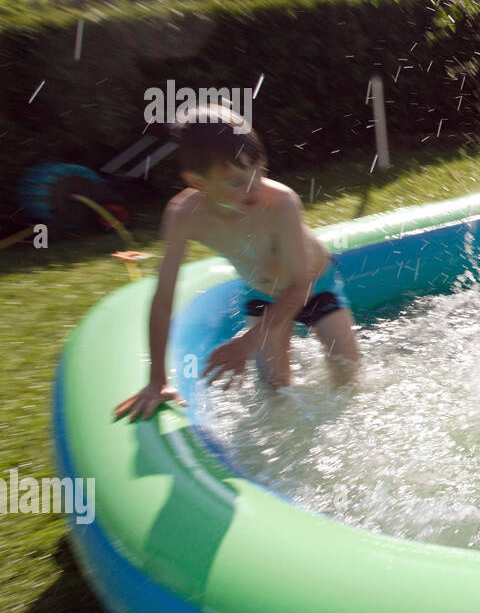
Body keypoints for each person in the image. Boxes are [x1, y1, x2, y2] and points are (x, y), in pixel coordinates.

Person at [113, 106, 359, 421]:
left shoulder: (281, 203)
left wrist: (246, 343)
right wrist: (157, 380)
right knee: (276, 392)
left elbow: (299, 287)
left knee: (347, 381)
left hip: (315, 287)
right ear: (197, 182)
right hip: (264, 293)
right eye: (236, 181)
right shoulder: (184, 216)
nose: (254, 185)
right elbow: (163, 301)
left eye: (259, 169)